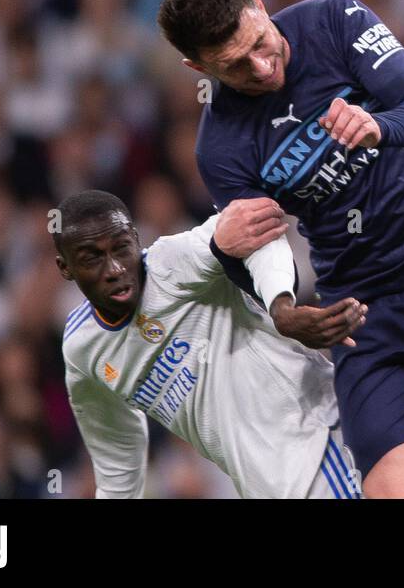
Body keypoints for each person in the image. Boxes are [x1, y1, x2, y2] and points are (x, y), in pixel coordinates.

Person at [157, 0, 404, 498]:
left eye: (260, 42)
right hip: (365, 317)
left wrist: (379, 125)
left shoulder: (333, 19)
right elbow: (251, 249)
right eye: (236, 66)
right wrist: (282, 310)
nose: (263, 68)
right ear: (197, 66)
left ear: (259, 4)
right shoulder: (221, 147)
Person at [59, 190, 360, 499]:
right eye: (92, 258)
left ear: (136, 239)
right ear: (65, 268)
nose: (115, 269)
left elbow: (255, 222)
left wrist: (281, 306)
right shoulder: (85, 348)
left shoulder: (172, 265)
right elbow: (117, 457)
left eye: (121, 248)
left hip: (320, 440)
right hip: (263, 484)